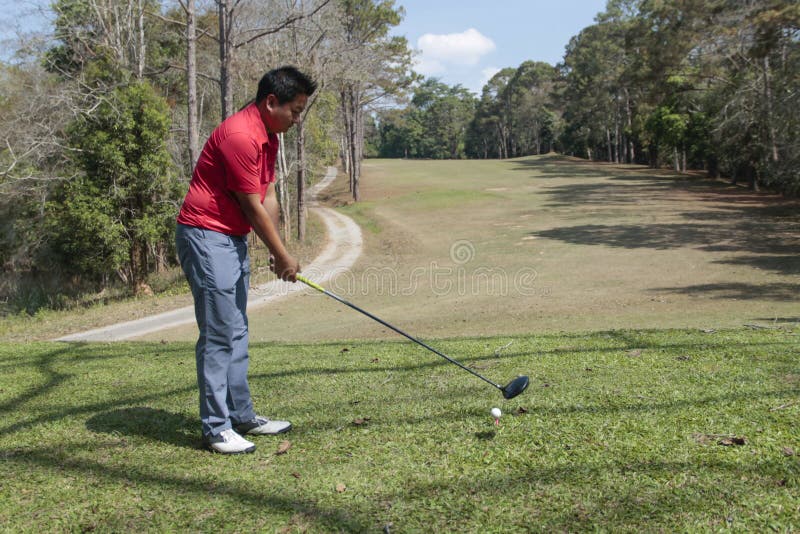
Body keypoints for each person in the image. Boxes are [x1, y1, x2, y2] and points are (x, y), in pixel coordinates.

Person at [175, 66, 316, 454]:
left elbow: (267, 196)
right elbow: (250, 206)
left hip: (229, 237)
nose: (297, 119)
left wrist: (279, 251)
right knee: (220, 333)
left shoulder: (268, 136)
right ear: (271, 102)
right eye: (296, 110)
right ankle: (216, 427)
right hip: (205, 234)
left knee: (236, 329)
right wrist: (282, 255)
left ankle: (240, 416)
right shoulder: (241, 135)